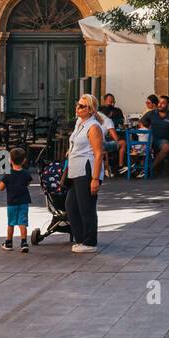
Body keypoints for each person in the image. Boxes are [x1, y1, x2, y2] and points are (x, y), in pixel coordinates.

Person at [61, 93, 106, 253]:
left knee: (86, 207)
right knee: (71, 205)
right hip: (76, 169)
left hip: (87, 170)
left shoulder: (93, 127)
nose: (78, 108)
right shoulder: (80, 123)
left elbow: (99, 153)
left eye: (82, 106)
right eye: (77, 104)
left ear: (91, 110)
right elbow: (76, 142)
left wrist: (95, 179)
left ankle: (90, 242)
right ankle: (81, 239)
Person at [0, 146, 33, 253]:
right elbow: (28, 183)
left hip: (12, 202)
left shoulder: (8, 174)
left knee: (11, 223)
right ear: (24, 161)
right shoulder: (26, 173)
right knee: (22, 222)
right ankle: (24, 242)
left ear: (10, 160)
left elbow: (0, 187)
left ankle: (9, 242)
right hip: (24, 202)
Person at [141, 95, 169, 174]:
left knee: (166, 147)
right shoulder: (152, 113)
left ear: (168, 105)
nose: (160, 104)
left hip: (161, 141)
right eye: (159, 102)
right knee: (135, 146)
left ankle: (151, 168)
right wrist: (146, 128)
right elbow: (141, 123)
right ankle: (138, 168)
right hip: (149, 139)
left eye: (163, 103)